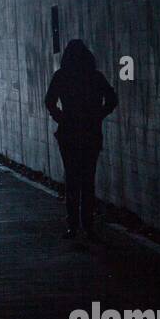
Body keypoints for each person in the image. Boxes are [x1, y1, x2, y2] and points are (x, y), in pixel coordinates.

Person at [44, 39, 118, 238]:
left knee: (72, 178)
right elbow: (112, 98)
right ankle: (88, 226)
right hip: (90, 132)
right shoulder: (94, 77)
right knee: (88, 179)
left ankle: (73, 225)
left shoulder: (62, 76)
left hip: (68, 133)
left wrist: (61, 117)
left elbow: (49, 101)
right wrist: (99, 115)